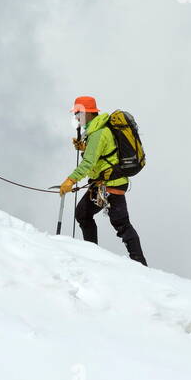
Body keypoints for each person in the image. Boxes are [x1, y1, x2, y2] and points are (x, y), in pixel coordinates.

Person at [59, 96, 147, 265]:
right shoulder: (97, 129)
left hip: (111, 184)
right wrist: (85, 147)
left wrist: (70, 180)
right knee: (83, 214)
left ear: (87, 113)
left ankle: (140, 263)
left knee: (121, 224)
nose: (76, 117)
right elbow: (102, 153)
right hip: (103, 183)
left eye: (78, 113)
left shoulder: (98, 133)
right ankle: (92, 255)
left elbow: (88, 163)